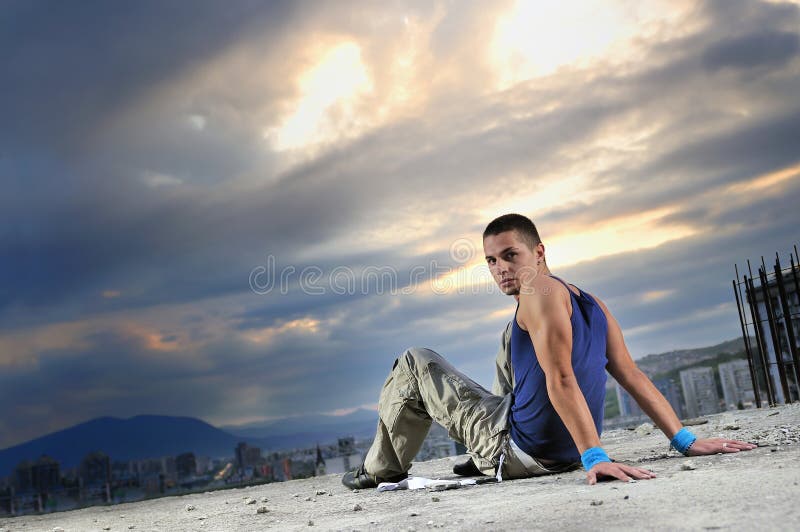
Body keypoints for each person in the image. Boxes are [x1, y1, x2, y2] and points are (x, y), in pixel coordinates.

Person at [342, 213, 756, 489]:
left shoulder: (538, 293)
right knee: (512, 336)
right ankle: (482, 454)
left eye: (510, 255)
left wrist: (595, 457)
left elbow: (561, 378)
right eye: (490, 261)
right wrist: (684, 440)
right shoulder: (590, 302)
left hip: (520, 453)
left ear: (539, 252)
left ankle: (379, 470)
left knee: (415, 360)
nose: (500, 268)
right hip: (558, 452)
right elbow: (631, 374)